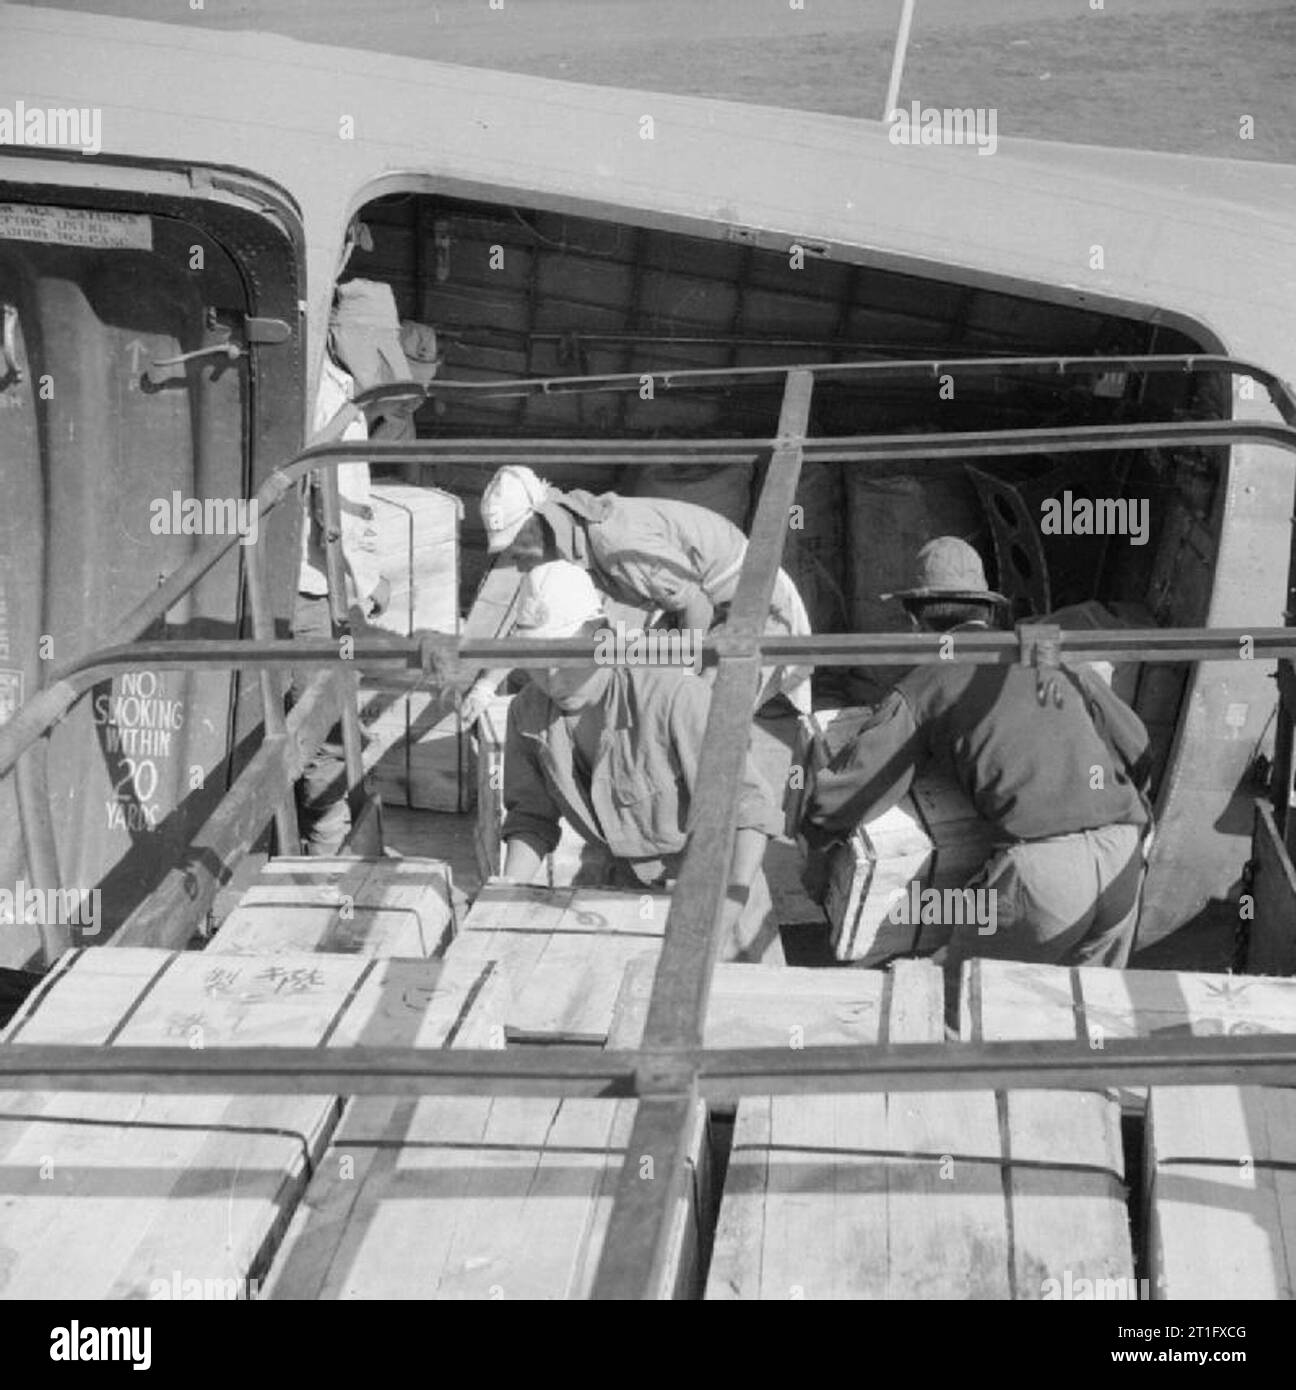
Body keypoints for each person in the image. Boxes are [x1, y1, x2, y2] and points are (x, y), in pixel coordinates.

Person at [798, 536, 1151, 1004]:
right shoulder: (1047, 653)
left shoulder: (927, 682)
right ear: (988, 611)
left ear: (914, 619)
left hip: (1046, 879)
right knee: (1085, 1014)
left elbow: (848, 793)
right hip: (1124, 859)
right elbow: (1137, 744)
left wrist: (816, 854)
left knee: (954, 1002)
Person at [499, 560, 786, 963]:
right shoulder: (527, 714)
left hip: (718, 897)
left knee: (739, 1021)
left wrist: (721, 916)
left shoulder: (673, 697)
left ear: (601, 636)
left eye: (562, 655)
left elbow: (749, 810)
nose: (550, 676)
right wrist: (505, 896)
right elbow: (531, 817)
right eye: (535, 659)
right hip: (631, 904)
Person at [466, 464, 812, 718]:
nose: (517, 561)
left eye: (515, 545)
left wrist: (686, 680)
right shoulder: (575, 543)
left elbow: (696, 604)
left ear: (538, 523)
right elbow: (535, 626)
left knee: (702, 719)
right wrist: (484, 687)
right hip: (698, 615)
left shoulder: (612, 542)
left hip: (753, 609)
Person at [291, 279, 411, 854]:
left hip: (337, 589)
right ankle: (327, 849)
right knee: (328, 726)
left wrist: (371, 580)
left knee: (336, 719)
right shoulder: (322, 397)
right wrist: (357, 589)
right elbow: (321, 503)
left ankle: (336, 837)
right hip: (315, 593)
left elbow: (350, 505)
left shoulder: (349, 395)